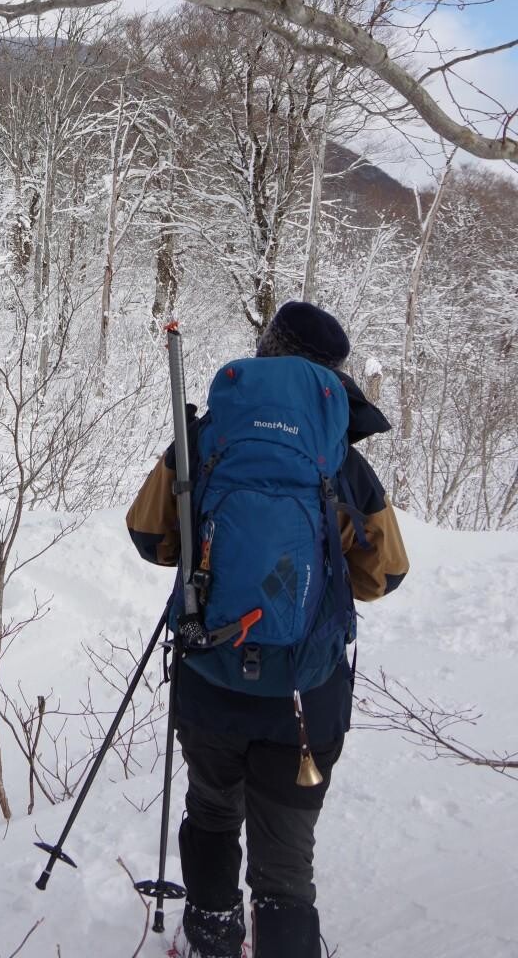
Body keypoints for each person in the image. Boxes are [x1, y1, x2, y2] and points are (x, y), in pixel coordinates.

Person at [127, 301, 409, 958]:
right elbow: (385, 575)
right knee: (285, 865)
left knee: (212, 813)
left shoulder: (205, 439)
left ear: (264, 350)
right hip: (305, 698)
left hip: (208, 678)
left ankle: (212, 937)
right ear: (329, 376)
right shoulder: (343, 462)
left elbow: (148, 536)